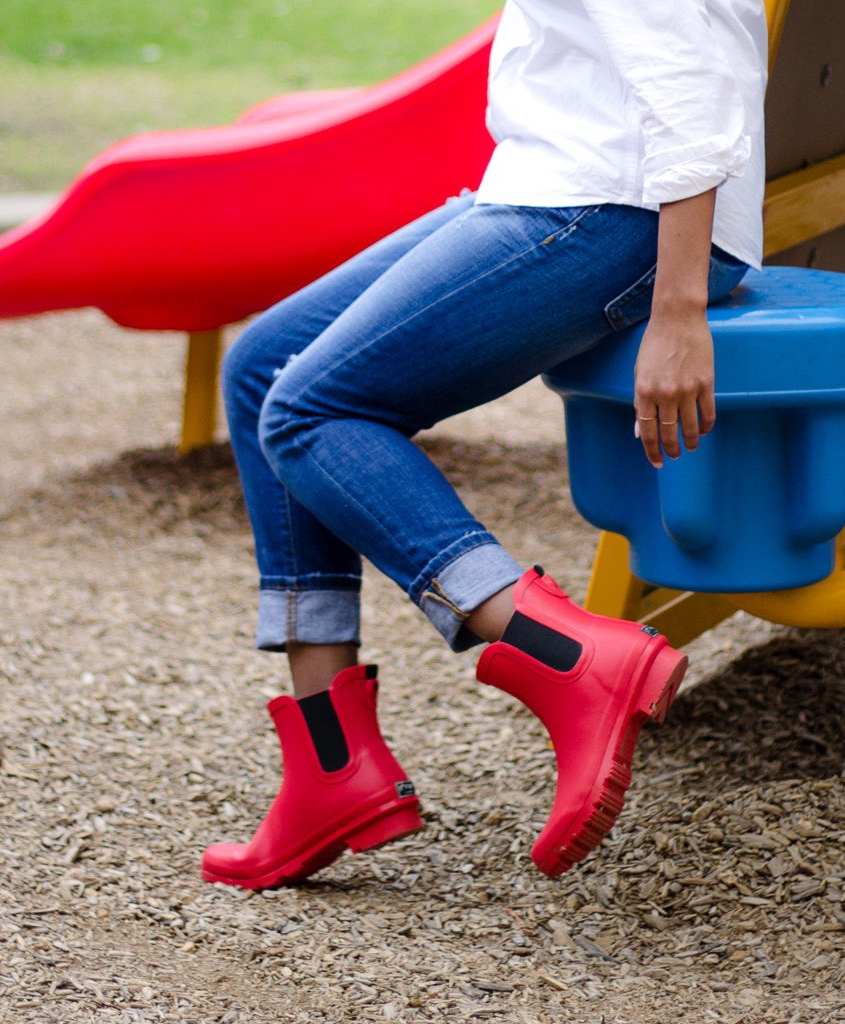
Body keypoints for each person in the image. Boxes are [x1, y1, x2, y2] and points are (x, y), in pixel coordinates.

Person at [201, 0, 767, 889]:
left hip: (616, 209)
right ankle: (329, 764)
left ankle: (566, 655)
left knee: (308, 412)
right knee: (263, 368)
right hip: (558, 184)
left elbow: (691, 86)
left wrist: (679, 309)